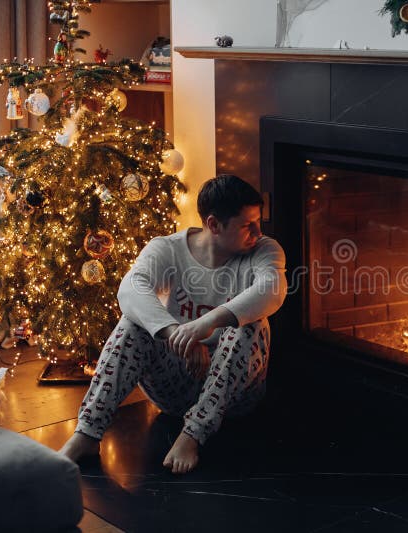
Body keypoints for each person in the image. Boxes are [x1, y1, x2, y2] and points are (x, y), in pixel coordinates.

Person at [59, 174, 286, 474]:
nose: (258, 232)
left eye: (258, 222)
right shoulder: (167, 249)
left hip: (235, 396)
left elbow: (273, 289)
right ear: (214, 224)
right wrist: (175, 333)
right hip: (174, 384)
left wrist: (205, 324)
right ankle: (86, 433)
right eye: (247, 225)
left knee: (251, 326)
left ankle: (192, 434)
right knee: (132, 323)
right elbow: (130, 289)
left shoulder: (266, 250)